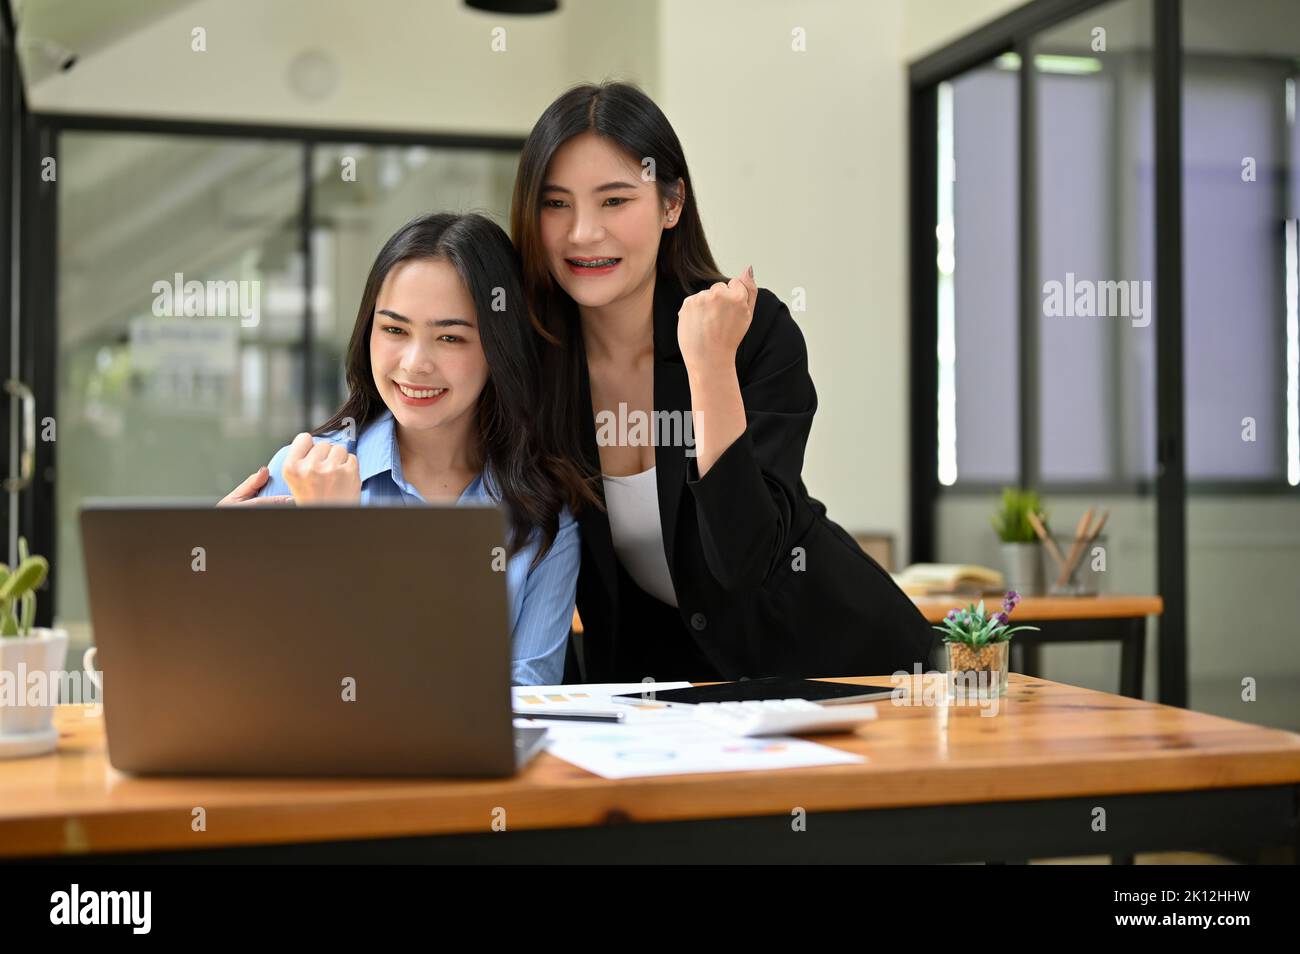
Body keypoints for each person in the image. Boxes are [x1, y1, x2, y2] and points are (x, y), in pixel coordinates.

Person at [510, 81, 937, 683]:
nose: (582, 233)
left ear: (671, 203)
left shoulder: (753, 332)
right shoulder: (534, 364)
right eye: (556, 204)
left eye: (614, 201)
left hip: (843, 668)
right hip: (669, 690)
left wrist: (709, 365)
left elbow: (742, 558)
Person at [221, 212, 584, 686]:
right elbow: (252, 677)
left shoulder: (542, 522)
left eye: (450, 337)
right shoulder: (301, 473)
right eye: (394, 330)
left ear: (500, 348)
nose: (415, 364)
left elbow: (526, 707)